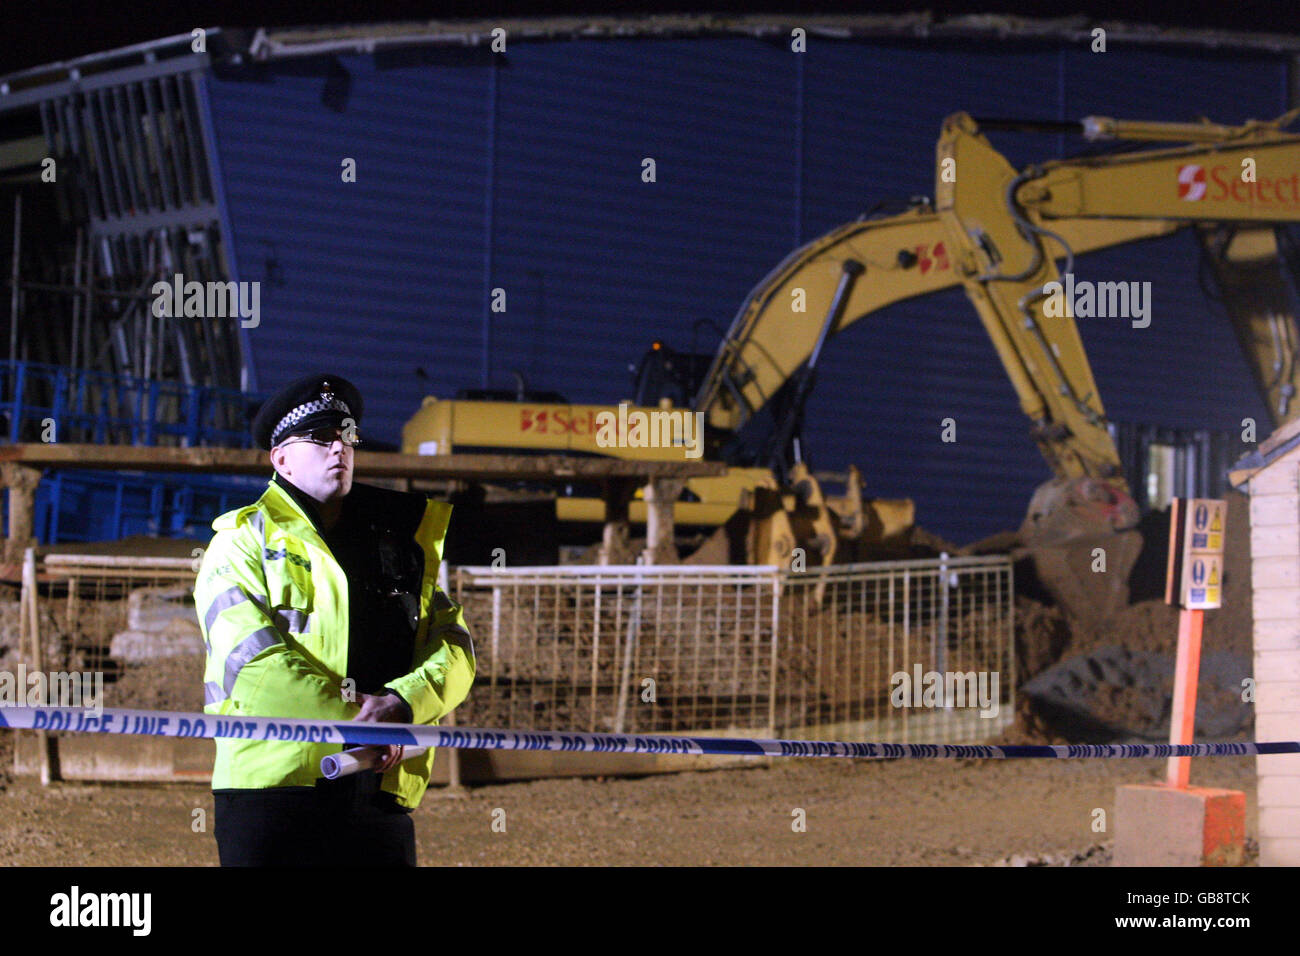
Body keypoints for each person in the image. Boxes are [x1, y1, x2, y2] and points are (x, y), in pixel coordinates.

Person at [194, 372, 475, 866]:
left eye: (347, 437)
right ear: (279, 457)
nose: (338, 448)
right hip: (274, 792)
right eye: (320, 438)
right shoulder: (241, 542)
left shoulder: (397, 547)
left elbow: (453, 644)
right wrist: (364, 720)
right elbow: (252, 661)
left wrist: (404, 705)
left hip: (377, 793)